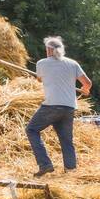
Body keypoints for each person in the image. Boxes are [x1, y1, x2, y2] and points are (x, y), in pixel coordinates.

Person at [27, 36, 92, 177]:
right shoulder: (72, 63)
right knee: (66, 140)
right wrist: (85, 89)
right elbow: (87, 83)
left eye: (46, 49)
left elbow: (39, 79)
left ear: (50, 50)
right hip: (69, 107)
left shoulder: (42, 63)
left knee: (31, 129)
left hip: (51, 106)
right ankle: (70, 170)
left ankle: (45, 164)